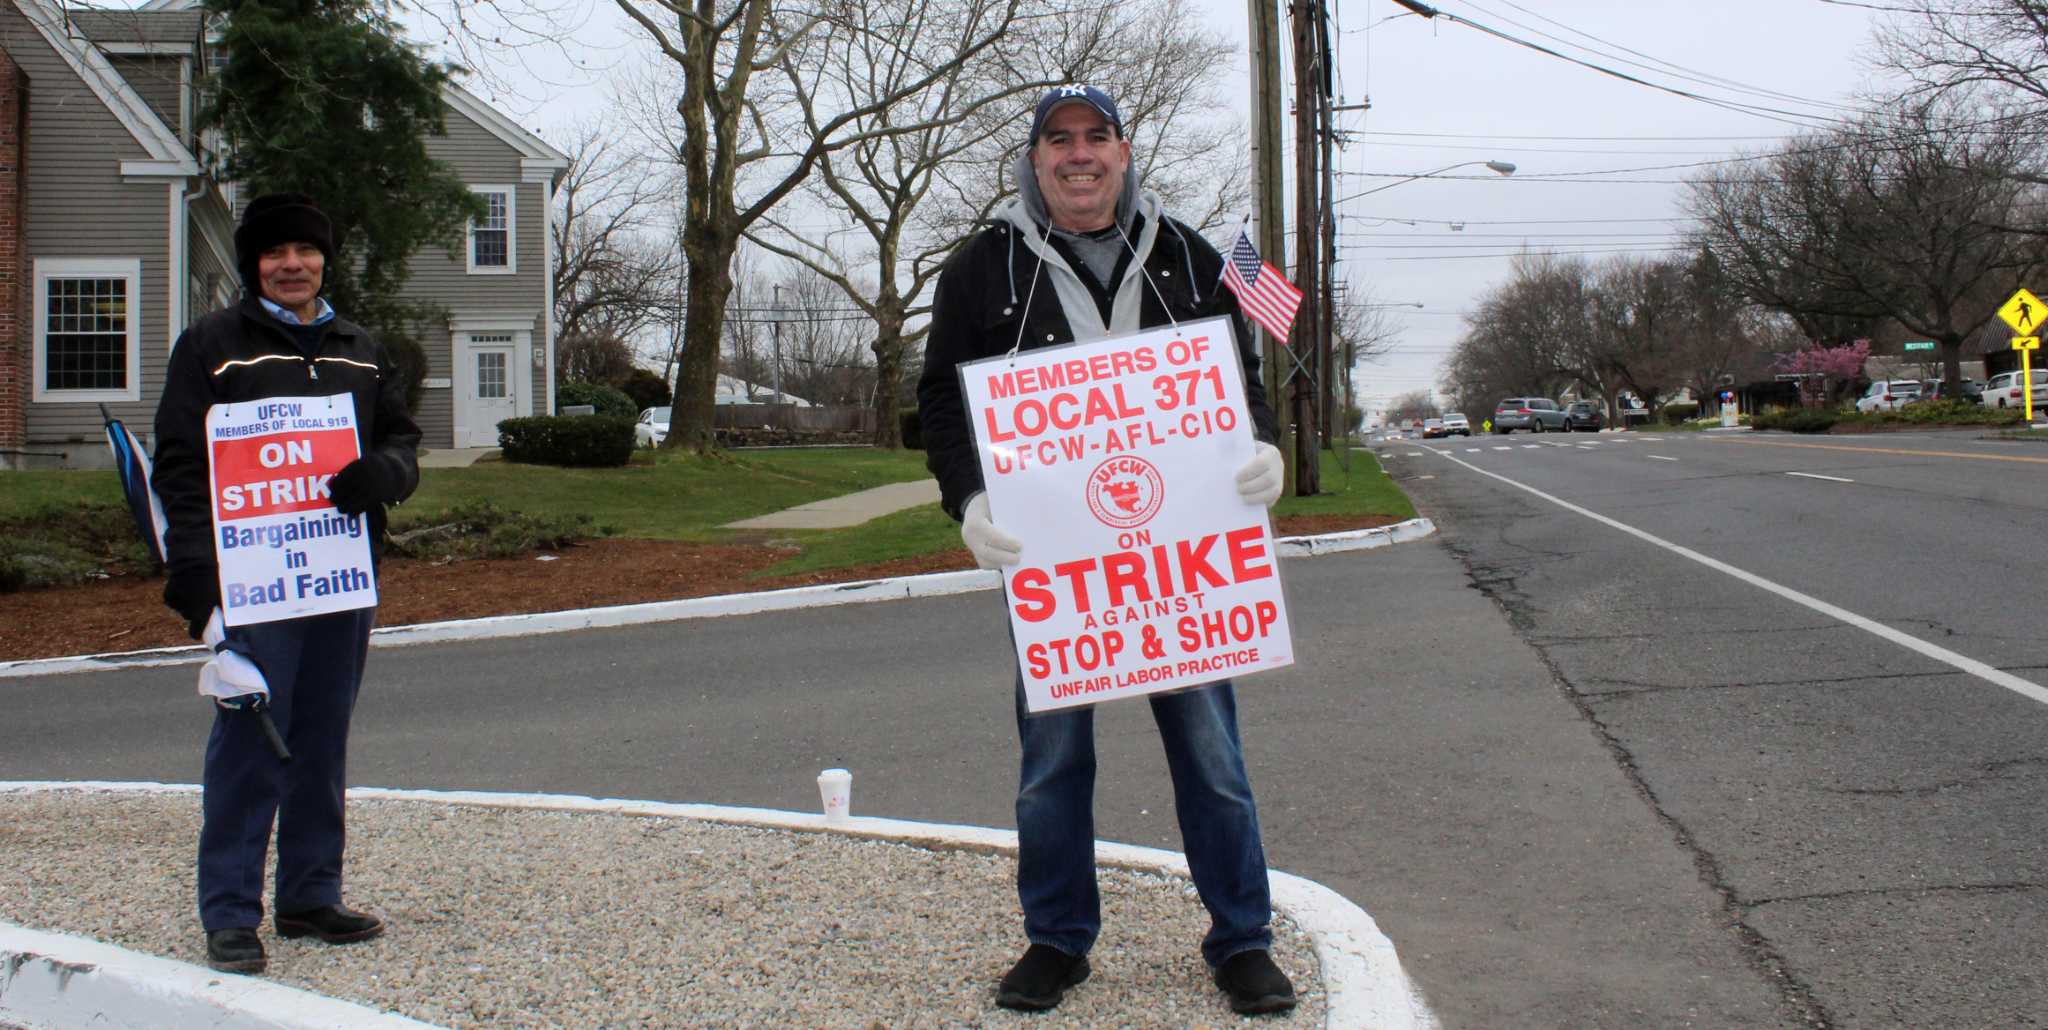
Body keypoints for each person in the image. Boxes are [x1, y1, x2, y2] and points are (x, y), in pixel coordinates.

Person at [916, 85, 1296, 1016]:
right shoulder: (982, 269)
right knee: (1052, 761)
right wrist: (967, 498)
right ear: (1034, 159)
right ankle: (1056, 941)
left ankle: (1242, 940)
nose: (1078, 156)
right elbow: (938, 399)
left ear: (1125, 154)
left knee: (1212, 754)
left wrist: (1261, 445)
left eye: (1097, 139)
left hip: (1185, 562)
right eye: (1059, 142)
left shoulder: (1191, 256)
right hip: (1053, 562)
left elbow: (1240, 374)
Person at [153, 193, 419, 974]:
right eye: (276, 254)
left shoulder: (360, 347)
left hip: (338, 578)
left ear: (324, 259)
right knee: (250, 741)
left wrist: (387, 475)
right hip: (253, 584)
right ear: (253, 266)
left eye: (307, 251)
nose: (293, 265)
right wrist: (196, 576)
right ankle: (232, 914)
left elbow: (401, 439)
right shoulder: (213, 345)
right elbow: (179, 464)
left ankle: (311, 895)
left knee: (320, 738)